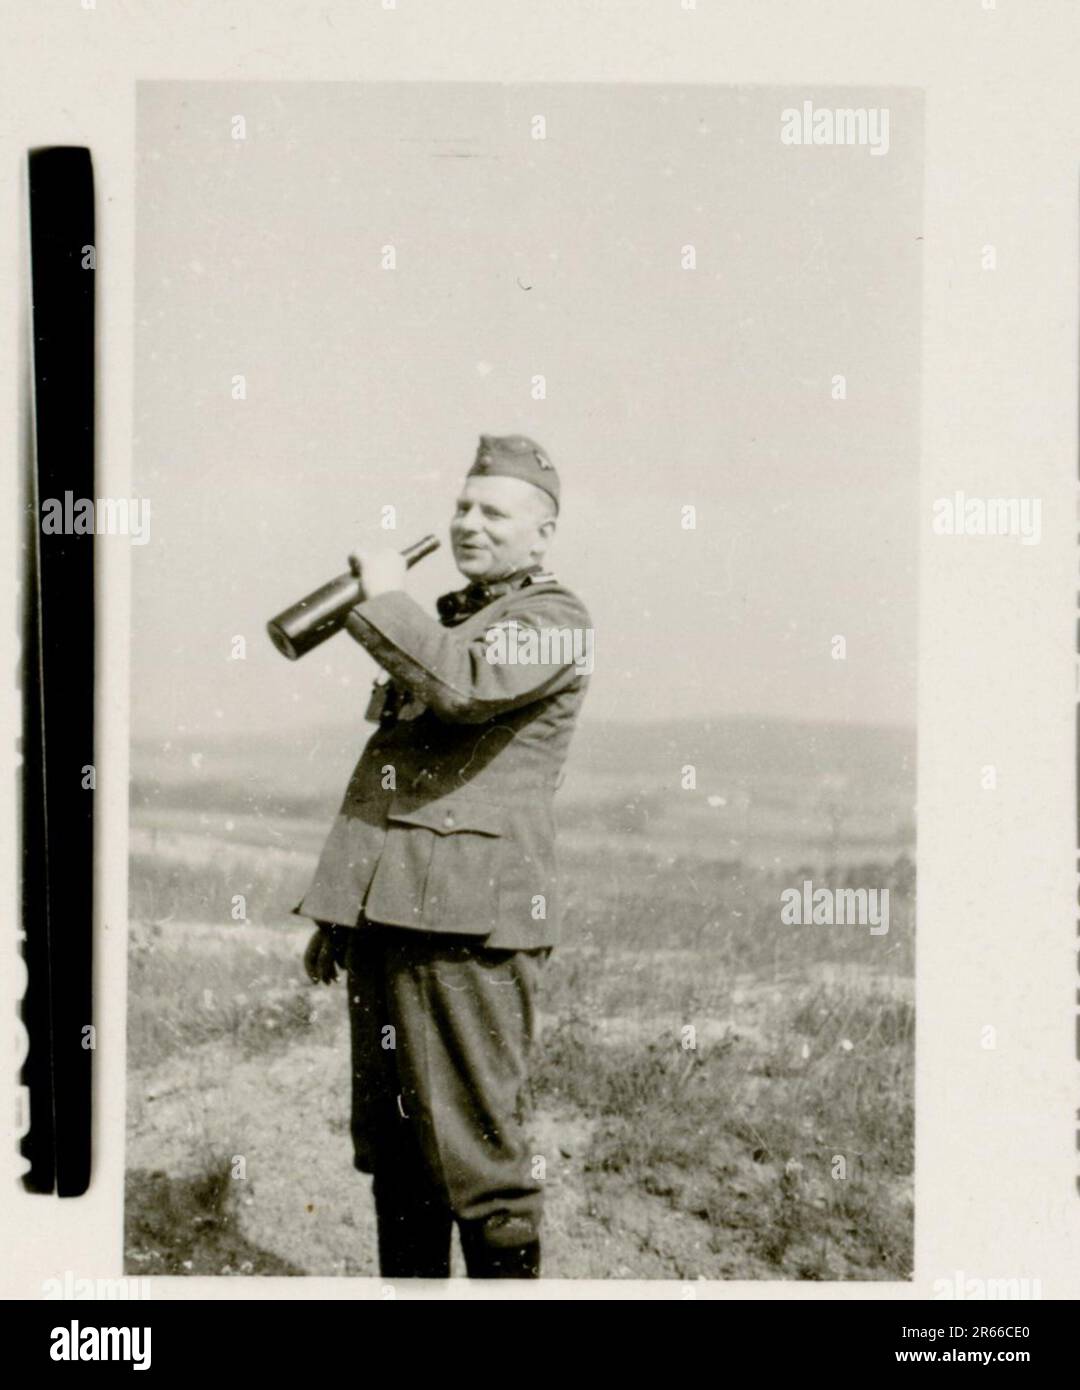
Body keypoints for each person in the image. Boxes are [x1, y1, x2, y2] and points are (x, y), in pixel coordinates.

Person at [296, 433, 592, 1279]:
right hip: (394, 918)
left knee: (480, 1165)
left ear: (543, 535)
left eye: (494, 512)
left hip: (470, 927)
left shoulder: (555, 620)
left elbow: (463, 690)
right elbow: (399, 779)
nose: (469, 523)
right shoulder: (455, 620)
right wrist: (343, 911)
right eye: (462, 506)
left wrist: (386, 597)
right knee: (399, 1157)